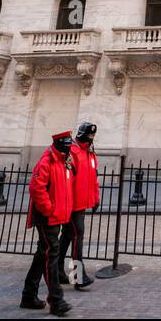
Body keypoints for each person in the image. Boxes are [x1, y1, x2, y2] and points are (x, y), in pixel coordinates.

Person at [21, 130, 74, 315]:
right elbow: (36, 187)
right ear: (60, 144)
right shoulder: (47, 161)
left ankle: (28, 295)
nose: (70, 148)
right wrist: (49, 209)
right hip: (47, 217)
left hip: (58, 215)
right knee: (52, 254)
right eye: (67, 145)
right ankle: (56, 301)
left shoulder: (64, 161)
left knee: (42, 254)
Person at [57, 121, 99, 289]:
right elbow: (65, 180)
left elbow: (93, 179)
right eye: (88, 137)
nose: (90, 140)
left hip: (82, 203)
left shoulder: (90, 153)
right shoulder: (72, 152)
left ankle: (57, 271)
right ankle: (78, 277)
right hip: (72, 204)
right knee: (77, 235)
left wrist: (96, 198)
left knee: (67, 235)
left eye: (92, 137)